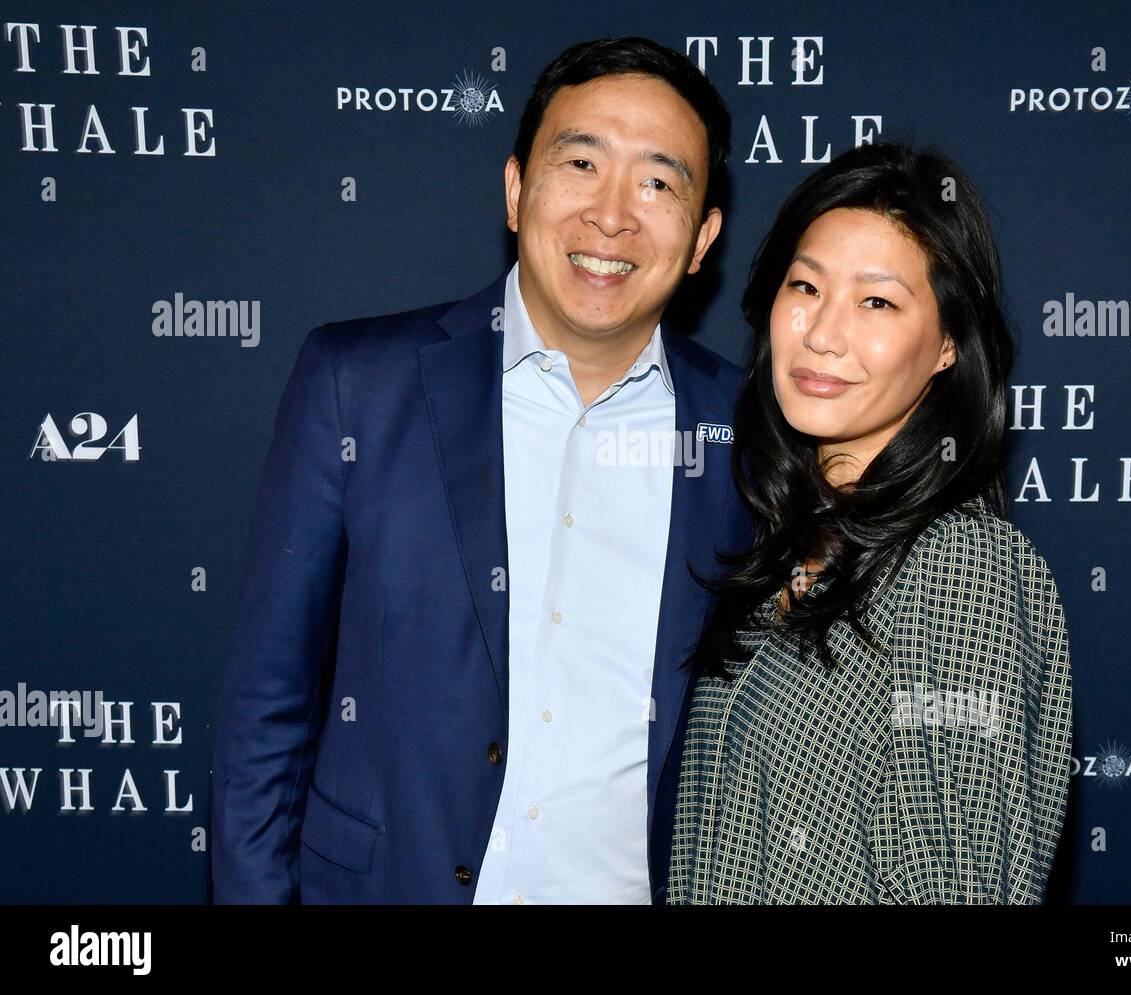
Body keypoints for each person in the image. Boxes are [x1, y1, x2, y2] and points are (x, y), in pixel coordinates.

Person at [211, 36, 753, 904]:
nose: (612, 215)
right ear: (514, 190)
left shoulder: (749, 435)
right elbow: (265, 715)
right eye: (581, 162)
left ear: (702, 240)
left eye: (658, 182)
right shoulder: (359, 384)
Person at [667, 141, 1074, 904]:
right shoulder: (777, 555)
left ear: (948, 344)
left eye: (876, 301)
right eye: (805, 285)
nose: (823, 332)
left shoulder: (960, 563)